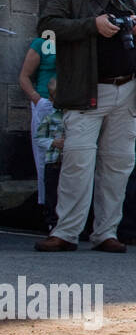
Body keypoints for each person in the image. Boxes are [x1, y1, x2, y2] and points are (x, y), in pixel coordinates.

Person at [35, 0, 136, 253]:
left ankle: (106, 232)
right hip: (87, 92)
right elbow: (46, 28)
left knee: (118, 166)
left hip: (126, 91)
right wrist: (92, 25)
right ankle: (66, 232)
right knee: (77, 162)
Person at [18, 34, 58, 214]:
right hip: (46, 102)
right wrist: (38, 100)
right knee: (44, 158)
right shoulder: (42, 43)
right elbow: (24, 76)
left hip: (72, 104)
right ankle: (46, 207)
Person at [34, 78, 65, 232]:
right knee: (52, 194)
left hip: (68, 161)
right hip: (53, 161)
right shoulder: (50, 118)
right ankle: (52, 221)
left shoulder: (71, 118)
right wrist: (52, 143)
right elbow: (39, 138)